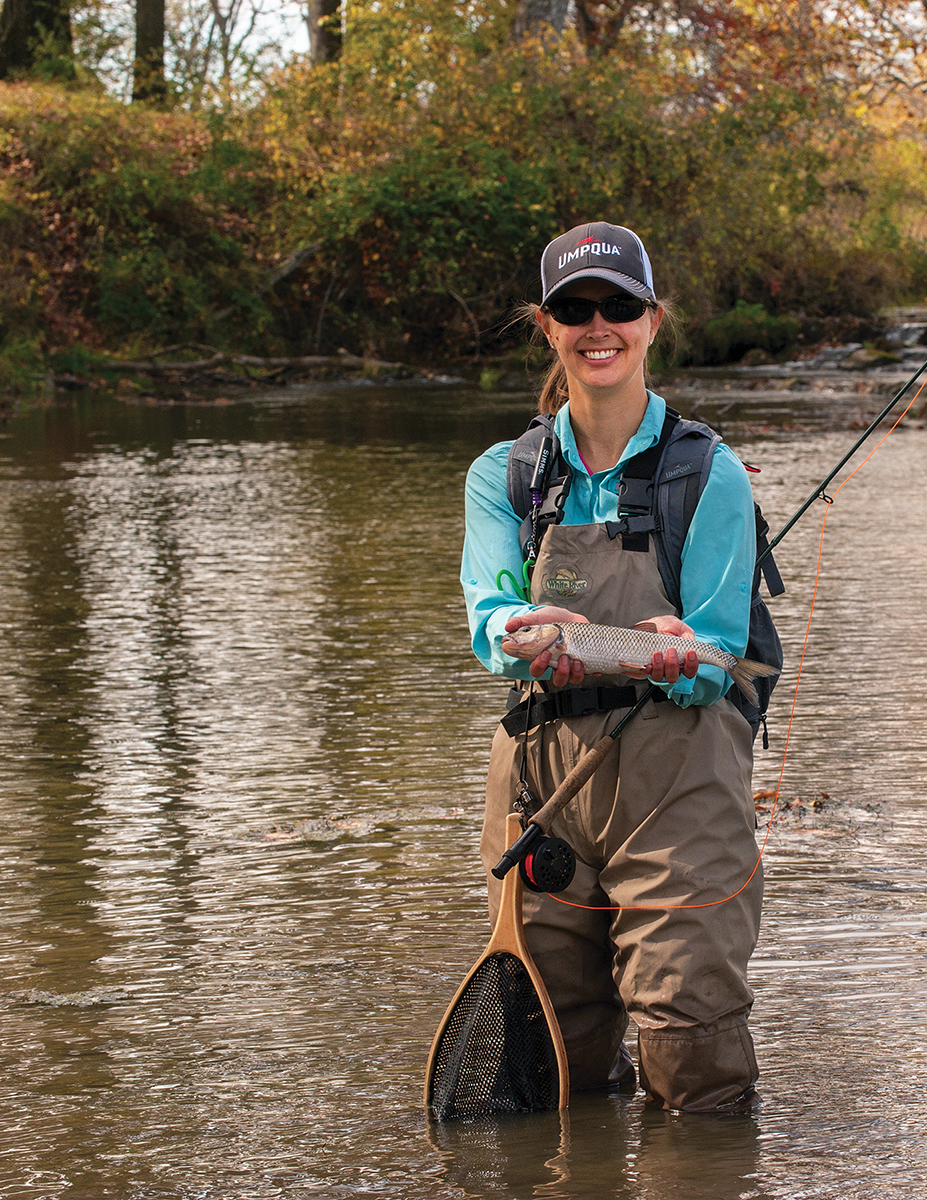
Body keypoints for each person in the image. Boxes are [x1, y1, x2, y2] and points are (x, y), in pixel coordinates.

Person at [460, 222, 762, 1113]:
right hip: (540, 786)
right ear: (547, 327)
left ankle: (706, 1167)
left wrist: (682, 652)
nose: (599, 326)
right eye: (575, 308)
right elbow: (488, 616)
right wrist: (520, 630)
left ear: (652, 320)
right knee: (556, 1046)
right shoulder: (503, 475)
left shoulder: (710, 473)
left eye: (619, 306)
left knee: (689, 1036)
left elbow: (716, 652)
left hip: (678, 778)